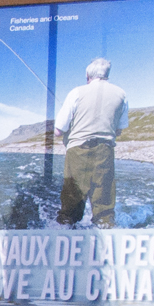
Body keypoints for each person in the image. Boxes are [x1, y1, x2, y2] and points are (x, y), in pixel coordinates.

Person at [53, 58, 129, 227]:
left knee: (71, 204)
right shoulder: (121, 94)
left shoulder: (76, 93)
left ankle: (66, 234)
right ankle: (105, 231)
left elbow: (58, 131)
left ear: (88, 75)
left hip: (78, 152)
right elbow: (119, 130)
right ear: (107, 75)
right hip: (105, 152)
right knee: (104, 204)